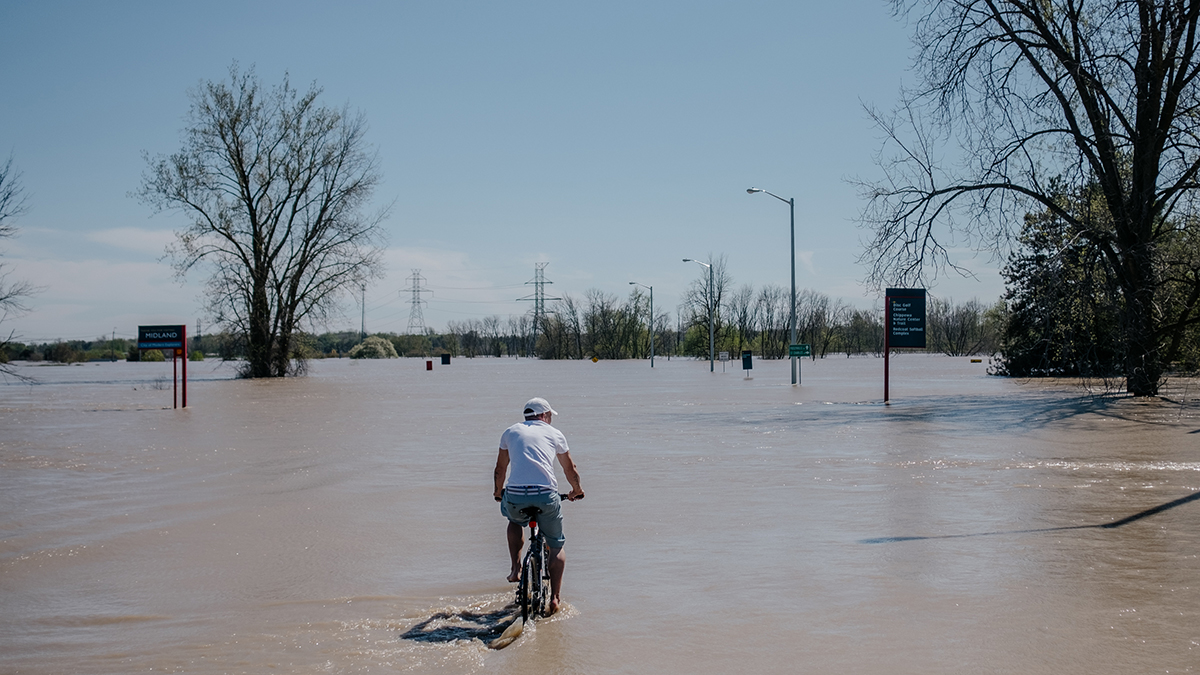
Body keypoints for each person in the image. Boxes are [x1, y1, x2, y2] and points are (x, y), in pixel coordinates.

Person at [493, 397, 583, 615]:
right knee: (556, 545)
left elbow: (500, 469)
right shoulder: (555, 433)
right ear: (544, 415)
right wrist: (576, 490)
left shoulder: (510, 432)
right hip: (545, 495)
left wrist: (497, 492)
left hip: (516, 495)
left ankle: (515, 569)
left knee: (514, 520)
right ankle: (555, 598)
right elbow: (570, 469)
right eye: (550, 415)